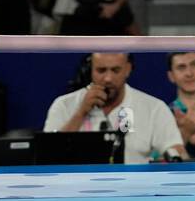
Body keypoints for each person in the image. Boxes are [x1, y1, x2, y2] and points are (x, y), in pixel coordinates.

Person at [44, 52, 185, 164]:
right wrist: (81, 113)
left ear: (128, 69)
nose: (108, 78)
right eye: (101, 70)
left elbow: (176, 152)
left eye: (115, 70)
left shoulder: (154, 108)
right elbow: (48, 155)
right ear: (89, 69)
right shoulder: (63, 105)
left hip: (135, 193)